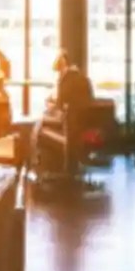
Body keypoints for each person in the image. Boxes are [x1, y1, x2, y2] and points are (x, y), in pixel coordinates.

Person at [33, 49, 95, 177]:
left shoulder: (65, 80)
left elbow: (60, 104)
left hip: (70, 120)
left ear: (63, 65)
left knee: (39, 124)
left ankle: (37, 162)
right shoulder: (83, 78)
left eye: (59, 70)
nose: (58, 73)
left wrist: (50, 103)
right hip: (83, 120)